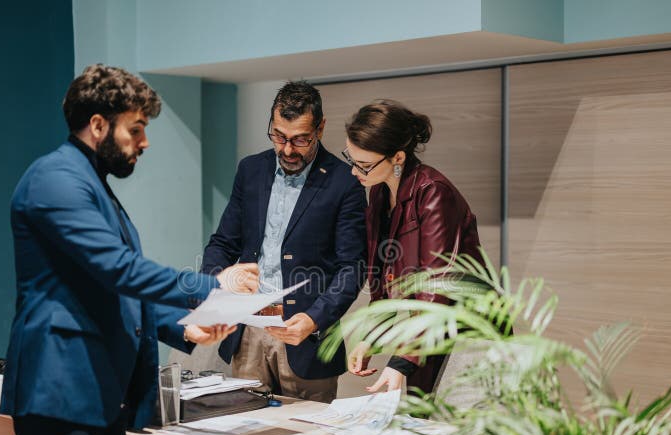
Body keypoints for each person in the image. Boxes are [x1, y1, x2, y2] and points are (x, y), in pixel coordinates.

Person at [0, 64, 258, 435]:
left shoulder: (91, 182)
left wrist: (183, 324)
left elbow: (108, 286)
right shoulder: (55, 179)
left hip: (98, 398)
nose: (144, 142)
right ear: (98, 124)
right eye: (135, 129)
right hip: (61, 394)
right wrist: (213, 285)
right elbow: (119, 270)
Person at [202, 81, 366, 403]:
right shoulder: (251, 170)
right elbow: (223, 242)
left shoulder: (345, 183)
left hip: (304, 336)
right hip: (248, 330)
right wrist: (214, 286)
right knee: (247, 431)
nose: (287, 150)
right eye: (278, 136)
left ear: (320, 128)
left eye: (300, 139)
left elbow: (352, 268)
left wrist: (315, 318)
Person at [343, 100, 484, 395]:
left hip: (468, 334)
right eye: (351, 160)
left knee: (457, 430)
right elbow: (382, 283)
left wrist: (403, 361)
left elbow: (437, 286)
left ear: (397, 157)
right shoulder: (380, 196)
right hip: (427, 334)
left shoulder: (433, 192)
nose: (355, 172)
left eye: (364, 165)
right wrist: (372, 336)